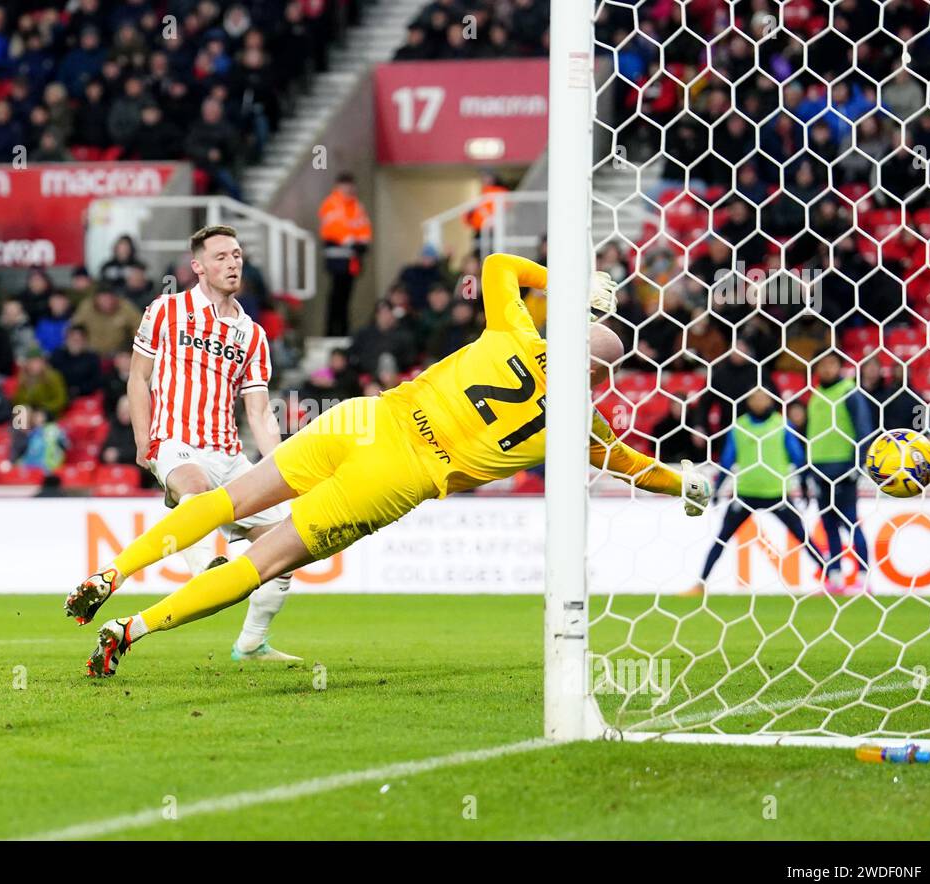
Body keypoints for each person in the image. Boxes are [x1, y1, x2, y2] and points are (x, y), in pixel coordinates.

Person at [64, 254, 712, 677]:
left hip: (364, 418)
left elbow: (496, 266)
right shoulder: (582, 424)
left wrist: (561, 281)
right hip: (398, 476)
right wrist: (682, 482)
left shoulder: (516, 332)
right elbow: (631, 465)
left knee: (232, 502)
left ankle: (113, 570)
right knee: (261, 564)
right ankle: (133, 629)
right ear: (603, 376)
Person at [84, 224, 305, 668]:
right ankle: (207, 570)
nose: (233, 263)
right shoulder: (165, 311)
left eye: (237, 255)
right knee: (196, 487)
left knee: (287, 547)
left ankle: (250, 645)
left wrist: (281, 465)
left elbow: (259, 412)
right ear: (198, 267)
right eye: (221, 256)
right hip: (176, 441)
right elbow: (138, 378)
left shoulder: (252, 334)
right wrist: (143, 440)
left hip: (228, 451)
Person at [687, 388, 827, 594]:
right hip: (746, 494)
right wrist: (717, 490)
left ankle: (829, 576)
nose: (760, 401)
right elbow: (727, 460)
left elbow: (798, 457)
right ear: (748, 401)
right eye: (755, 397)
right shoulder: (739, 426)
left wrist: (804, 485)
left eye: (764, 397)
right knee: (722, 538)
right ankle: (700, 584)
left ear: (770, 400)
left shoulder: (781, 424)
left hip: (777, 494)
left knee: (802, 537)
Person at [805, 353, 873, 593]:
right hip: (820, 469)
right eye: (822, 364)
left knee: (850, 522)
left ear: (839, 366)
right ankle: (835, 577)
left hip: (844, 468)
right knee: (828, 525)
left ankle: (864, 577)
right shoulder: (815, 395)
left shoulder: (849, 391)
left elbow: (864, 429)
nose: (826, 369)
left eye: (831, 364)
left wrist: (858, 464)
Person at [318, 173, 372, 336]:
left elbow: (364, 228)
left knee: (346, 296)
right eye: (345, 185)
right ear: (338, 186)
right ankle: (332, 331)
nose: (349, 188)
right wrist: (351, 241)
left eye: (351, 185)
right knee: (336, 295)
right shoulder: (331, 204)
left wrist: (362, 243)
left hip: (351, 259)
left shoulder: (356, 206)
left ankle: (342, 330)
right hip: (337, 258)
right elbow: (332, 228)